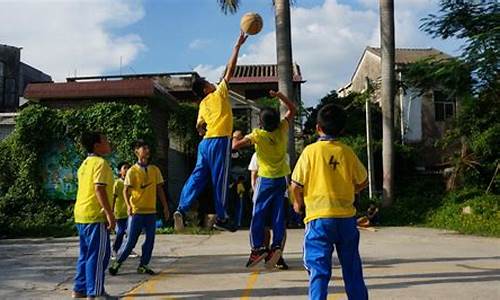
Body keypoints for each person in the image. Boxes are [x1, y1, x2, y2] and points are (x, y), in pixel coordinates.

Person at [291, 103, 369, 300]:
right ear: (342, 129)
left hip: (318, 219)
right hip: (346, 219)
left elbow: (296, 185)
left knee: (318, 270)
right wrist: (352, 190)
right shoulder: (347, 152)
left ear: (318, 127)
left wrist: (298, 203)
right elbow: (363, 180)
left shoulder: (310, 152)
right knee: (352, 269)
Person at [173, 31, 248, 233]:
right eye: (208, 83)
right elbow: (230, 70)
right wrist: (237, 46)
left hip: (204, 144)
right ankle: (222, 217)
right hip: (219, 141)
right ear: (206, 89)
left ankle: (182, 207)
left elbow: (199, 127)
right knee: (220, 179)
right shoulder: (219, 94)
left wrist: (201, 128)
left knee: (198, 176)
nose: (211, 83)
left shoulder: (203, 105)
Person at [232, 90, 296, 268]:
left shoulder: (258, 135)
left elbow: (236, 146)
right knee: (278, 216)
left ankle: (257, 248)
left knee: (258, 215)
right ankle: (276, 246)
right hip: (281, 180)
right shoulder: (283, 129)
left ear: (260, 123)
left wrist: (234, 139)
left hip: (265, 180)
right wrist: (280, 95)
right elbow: (292, 109)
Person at [109, 139, 169, 276]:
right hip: (137, 212)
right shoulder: (132, 171)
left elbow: (160, 189)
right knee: (131, 240)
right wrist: (129, 206)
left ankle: (143, 265)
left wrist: (165, 207)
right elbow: (125, 191)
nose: (146, 150)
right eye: (143, 148)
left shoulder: (154, 170)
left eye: (147, 148)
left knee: (150, 240)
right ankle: (118, 262)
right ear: (137, 151)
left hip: (151, 211)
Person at [73, 132, 115, 299]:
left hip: (81, 214)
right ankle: (95, 293)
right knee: (98, 256)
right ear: (97, 145)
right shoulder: (100, 163)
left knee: (85, 254)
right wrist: (109, 214)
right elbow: (99, 188)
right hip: (95, 215)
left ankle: (80, 289)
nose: (108, 142)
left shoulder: (84, 164)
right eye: (105, 140)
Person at [247, 152, 290, 270]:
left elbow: (254, 176)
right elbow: (254, 175)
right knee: (278, 222)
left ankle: (265, 251)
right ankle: (272, 251)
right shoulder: (281, 153)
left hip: (268, 188)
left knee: (264, 222)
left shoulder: (262, 152)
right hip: (278, 190)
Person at [112, 162, 130, 257]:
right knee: (121, 231)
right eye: (125, 168)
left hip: (129, 212)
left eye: (128, 168)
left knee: (130, 232)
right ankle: (115, 249)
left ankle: (128, 249)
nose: (127, 170)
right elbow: (113, 197)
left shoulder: (131, 182)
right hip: (119, 212)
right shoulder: (117, 183)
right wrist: (111, 211)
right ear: (120, 171)